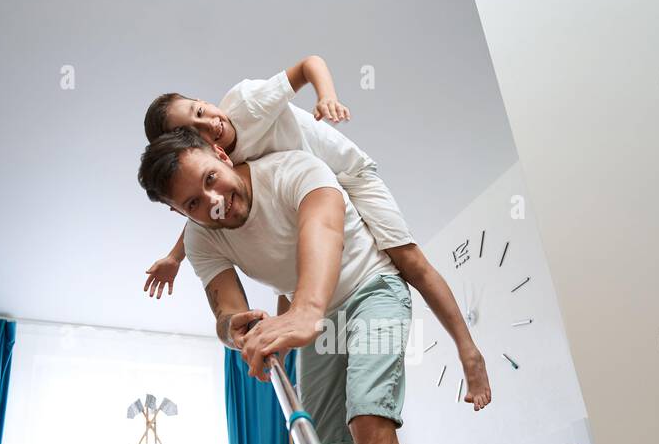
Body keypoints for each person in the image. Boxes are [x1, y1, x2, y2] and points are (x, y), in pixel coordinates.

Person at [138, 126, 411, 444]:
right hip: (320, 316)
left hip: (371, 286)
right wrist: (235, 325)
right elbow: (224, 308)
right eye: (193, 202)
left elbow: (324, 233)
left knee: (368, 420)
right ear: (179, 214)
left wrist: (304, 311)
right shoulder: (202, 238)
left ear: (220, 154)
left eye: (212, 179)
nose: (214, 202)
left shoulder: (293, 171)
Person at [142, 55, 490, 410]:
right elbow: (201, 211)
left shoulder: (246, 102)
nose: (209, 125)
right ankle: (298, 375)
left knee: (409, 260)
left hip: (350, 175)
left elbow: (309, 64)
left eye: (200, 111)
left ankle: (468, 351)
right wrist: (175, 257)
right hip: (301, 199)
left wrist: (326, 96)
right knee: (287, 289)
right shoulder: (212, 182)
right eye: (192, 131)